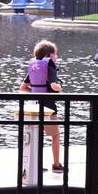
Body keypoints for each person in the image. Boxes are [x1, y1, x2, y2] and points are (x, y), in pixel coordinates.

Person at [20, 39, 64, 172]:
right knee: (55, 135)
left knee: (37, 135)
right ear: (49, 55)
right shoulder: (50, 64)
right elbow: (53, 85)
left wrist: (34, 91)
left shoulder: (34, 65)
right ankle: (56, 164)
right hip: (49, 106)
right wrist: (60, 89)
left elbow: (22, 87)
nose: (56, 57)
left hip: (34, 106)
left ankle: (36, 164)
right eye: (55, 54)